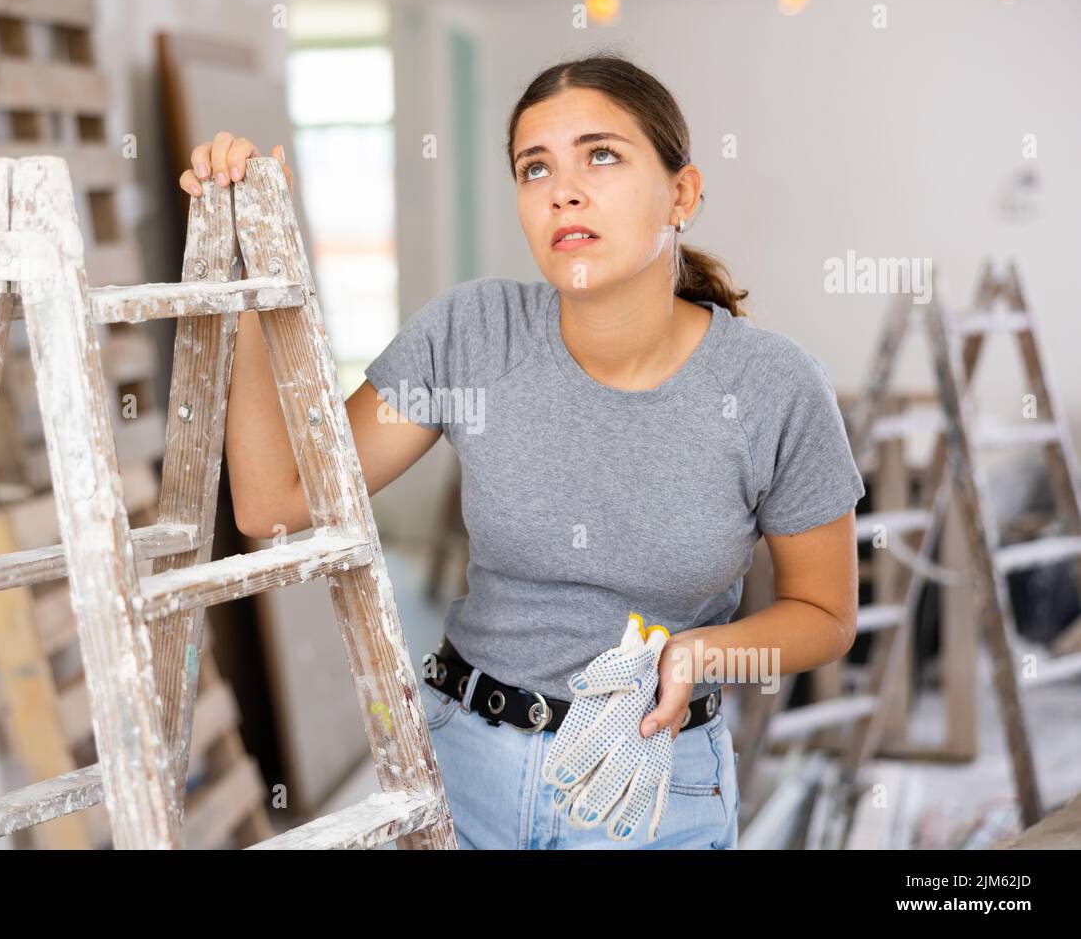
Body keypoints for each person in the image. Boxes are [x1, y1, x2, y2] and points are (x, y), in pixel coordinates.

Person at [178, 52, 864, 850]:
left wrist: (700, 653)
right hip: (461, 772)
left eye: (601, 155)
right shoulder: (473, 335)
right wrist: (253, 271)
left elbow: (825, 615)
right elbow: (277, 501)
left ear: (682, 193)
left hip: (647, 788)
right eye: (535, 168)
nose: (563, 189)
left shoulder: (776, 386)